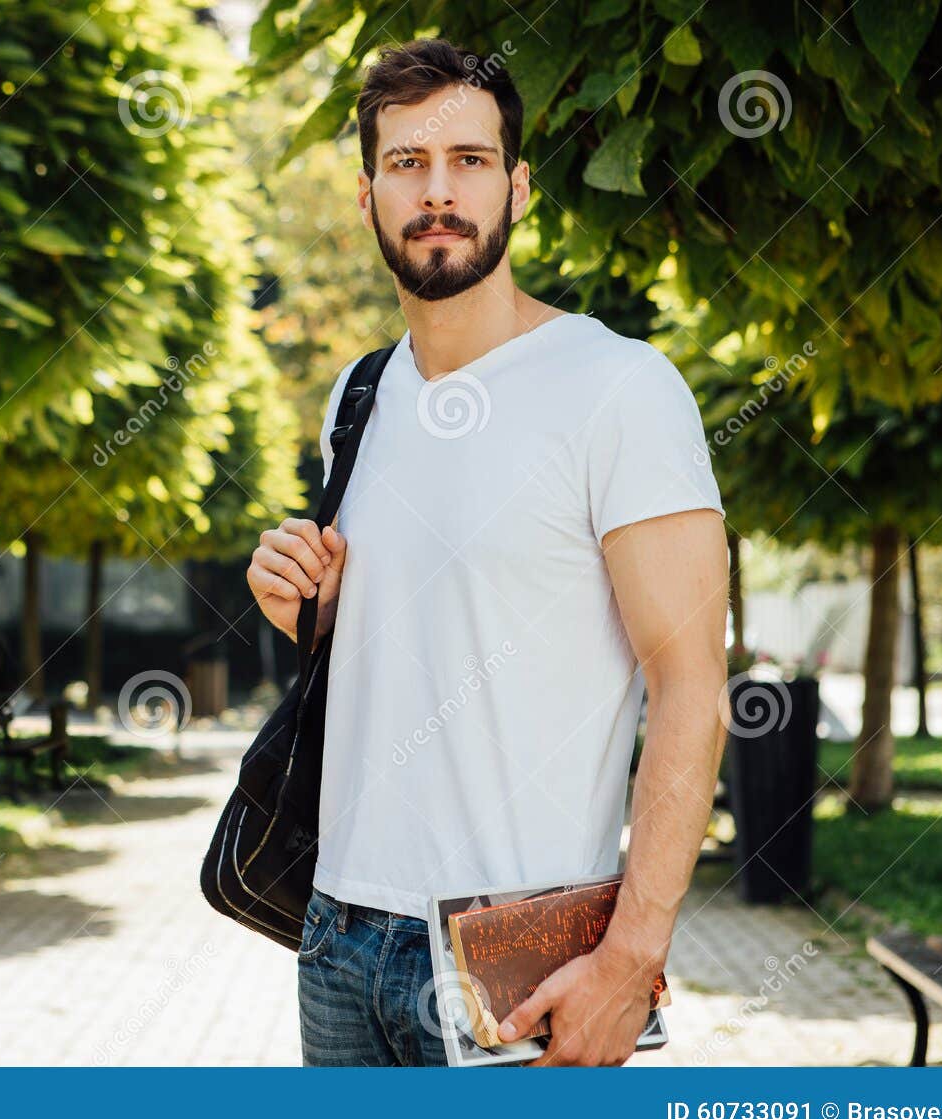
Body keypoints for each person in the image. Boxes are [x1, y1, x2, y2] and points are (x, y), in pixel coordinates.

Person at [246, 38, 729, 1067]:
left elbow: (691, 683)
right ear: (367, 193)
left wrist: (632, 953)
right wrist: (309, 598)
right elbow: (404, 632)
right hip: (335, 933)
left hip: (517, 955)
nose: (437, 191)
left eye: (467, 160)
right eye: (405, 162)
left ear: (515, 187)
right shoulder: (359, 394)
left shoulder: (618, 387)